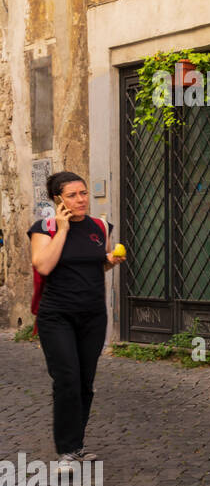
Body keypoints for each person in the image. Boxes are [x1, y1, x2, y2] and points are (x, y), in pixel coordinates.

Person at [28, 171, 125, 469]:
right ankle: (67, 451)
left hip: (93, 316)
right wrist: (63, 228)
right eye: (72, 195)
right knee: (67, 379)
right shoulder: (44, 229)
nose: (81, 199)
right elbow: (43, 266)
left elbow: (97, 267)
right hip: (57, 315)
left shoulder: (99, 226)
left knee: (84, 382)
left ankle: (77, 446)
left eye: (83, 193)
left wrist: (109, 262)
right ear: (58, 200)